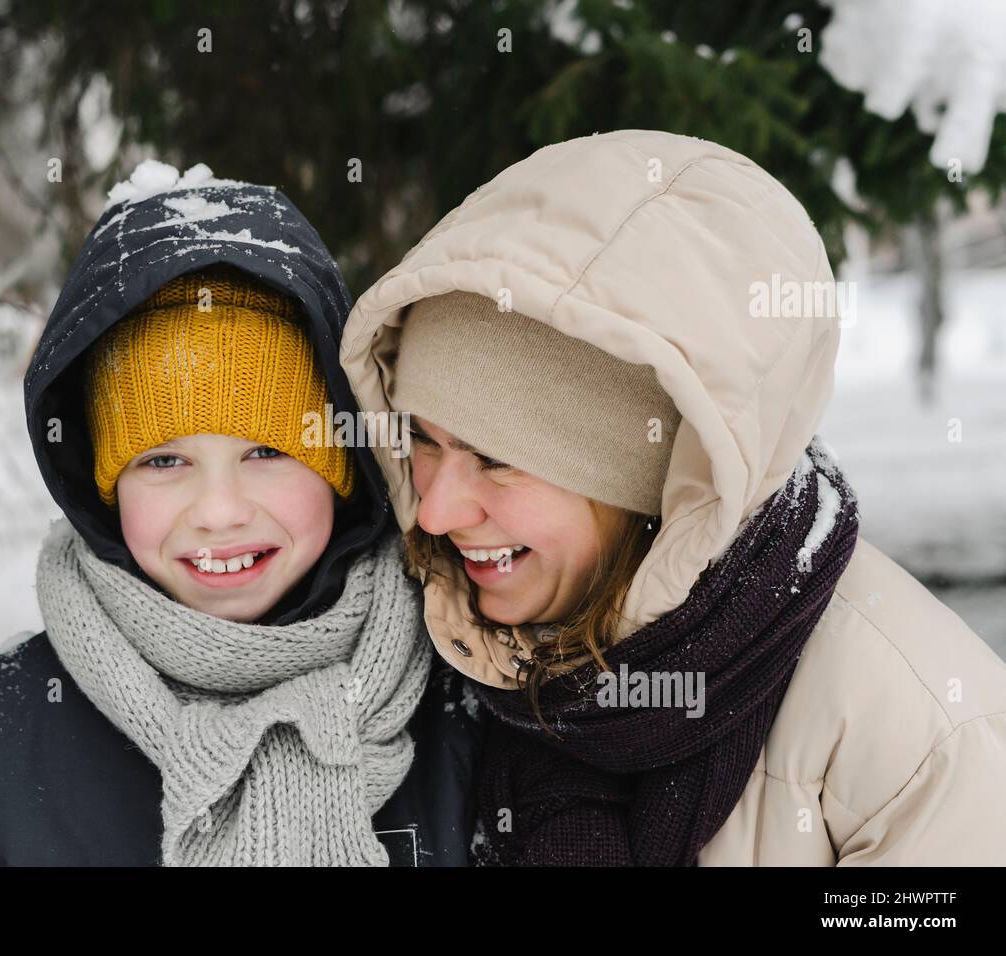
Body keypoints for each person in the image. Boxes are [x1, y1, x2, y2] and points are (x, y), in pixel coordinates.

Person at [339, 129, 1006, 865]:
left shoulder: (923, 742)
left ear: (652, 483)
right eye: (423, 442)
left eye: (496, 460)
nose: (434, 512)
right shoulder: (431, 660)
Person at [0, 165, 479, 866]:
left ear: (344, 465)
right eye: (163, 462)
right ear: (103, 486)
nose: (218, 511)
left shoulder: (464, 698)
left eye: (267, 451)